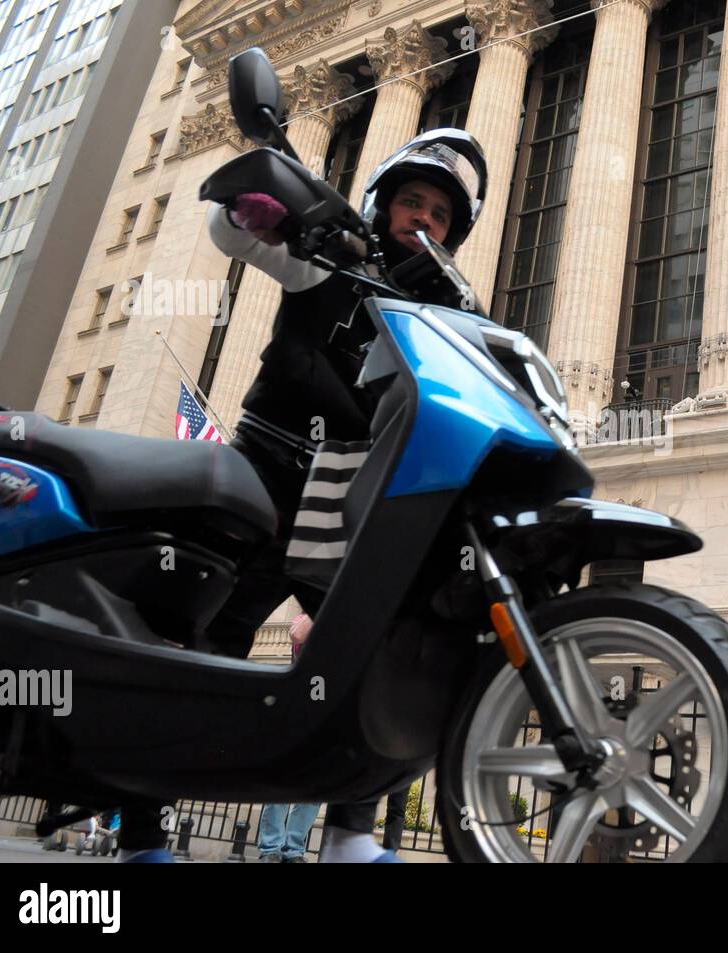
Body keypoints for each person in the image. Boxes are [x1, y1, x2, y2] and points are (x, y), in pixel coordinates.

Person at [116, 129, 486, 864]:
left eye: (440, 214)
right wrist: (262, 208)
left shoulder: (444, 314)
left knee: (372, 653)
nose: (424, 218)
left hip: (344, 494)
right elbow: (230, 231)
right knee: (192, 639)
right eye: (412, 201)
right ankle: (140, 840)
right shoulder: (327, 260)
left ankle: (350, 838)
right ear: (384, 205)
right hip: (260, 469)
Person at [256, 613, 321, 863]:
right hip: (296, 712)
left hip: (323, 715)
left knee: (313, 790)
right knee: (281, 785)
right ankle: (270, 848)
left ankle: (293, 850)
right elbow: (297, 633)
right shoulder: (308, 615)